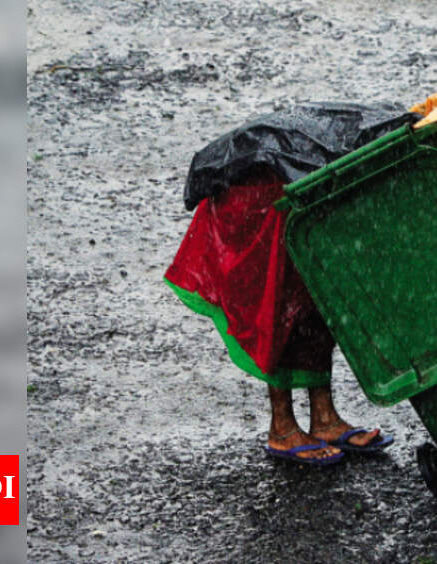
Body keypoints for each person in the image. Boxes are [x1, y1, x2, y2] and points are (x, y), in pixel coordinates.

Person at [165, 167, 393, 466]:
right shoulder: (267, 164)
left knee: (315, 294)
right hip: (257, 208)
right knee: (276, 303)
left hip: (289, 194)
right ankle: (282, 426)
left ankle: (324, 417)